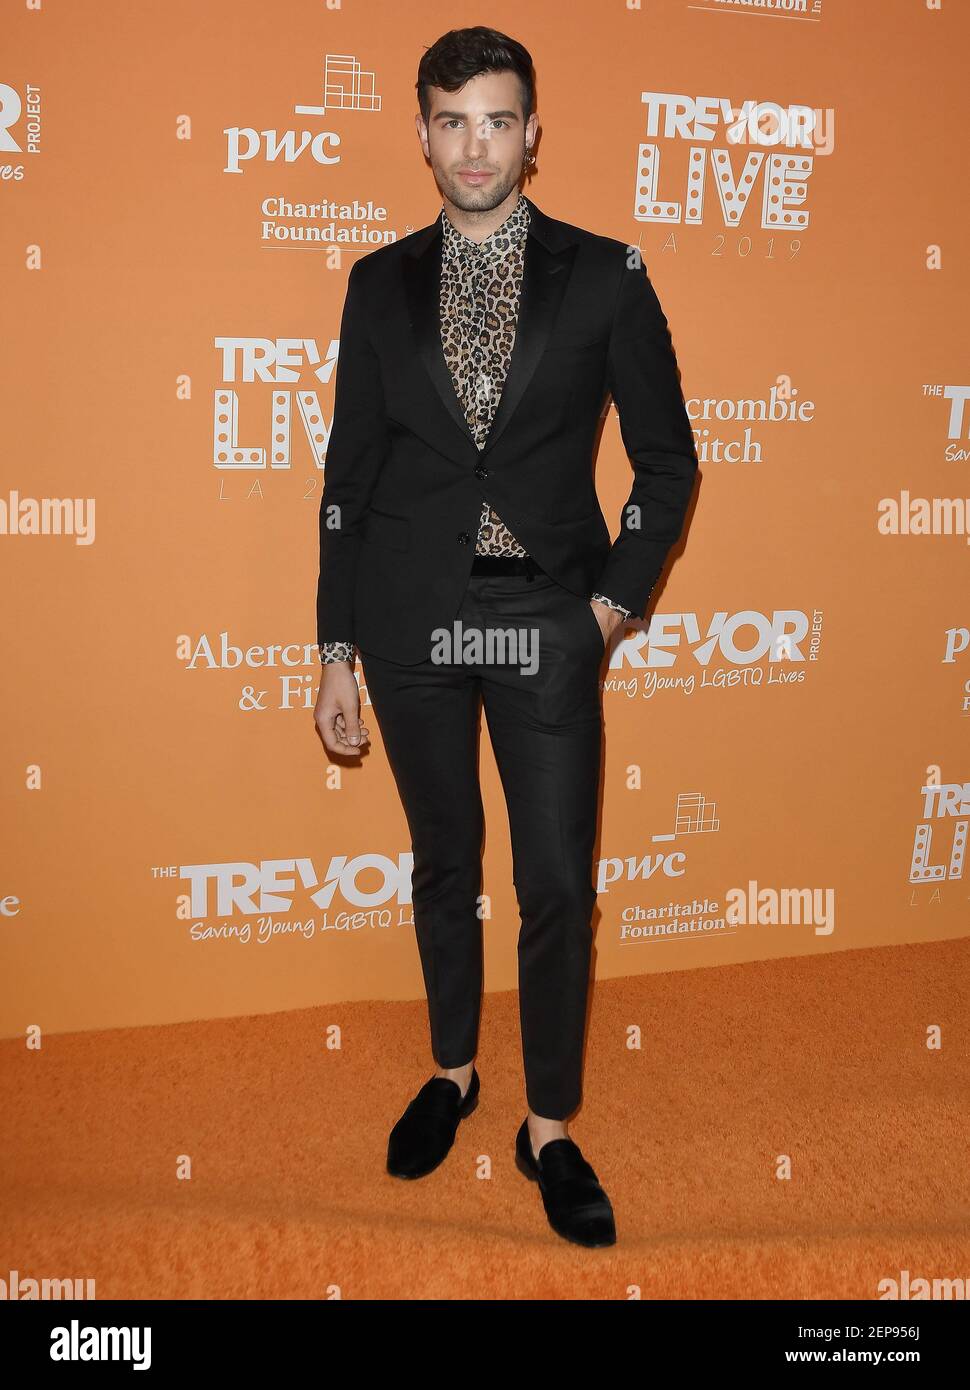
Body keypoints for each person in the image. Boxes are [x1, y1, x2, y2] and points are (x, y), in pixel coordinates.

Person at [313, 26, 697, 1248]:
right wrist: (332, 647)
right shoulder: (378, 284)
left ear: (533, 133)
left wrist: (607, 607)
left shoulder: (605, 275)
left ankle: (548, 1123)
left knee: (553, 885)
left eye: (497, 120)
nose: (474, 144)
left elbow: (667, 461)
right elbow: (348, 471)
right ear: (421, 132)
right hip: (410, 621)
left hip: (545, 622)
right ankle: (449, 1070)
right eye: (450, 120)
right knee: (442, 863)